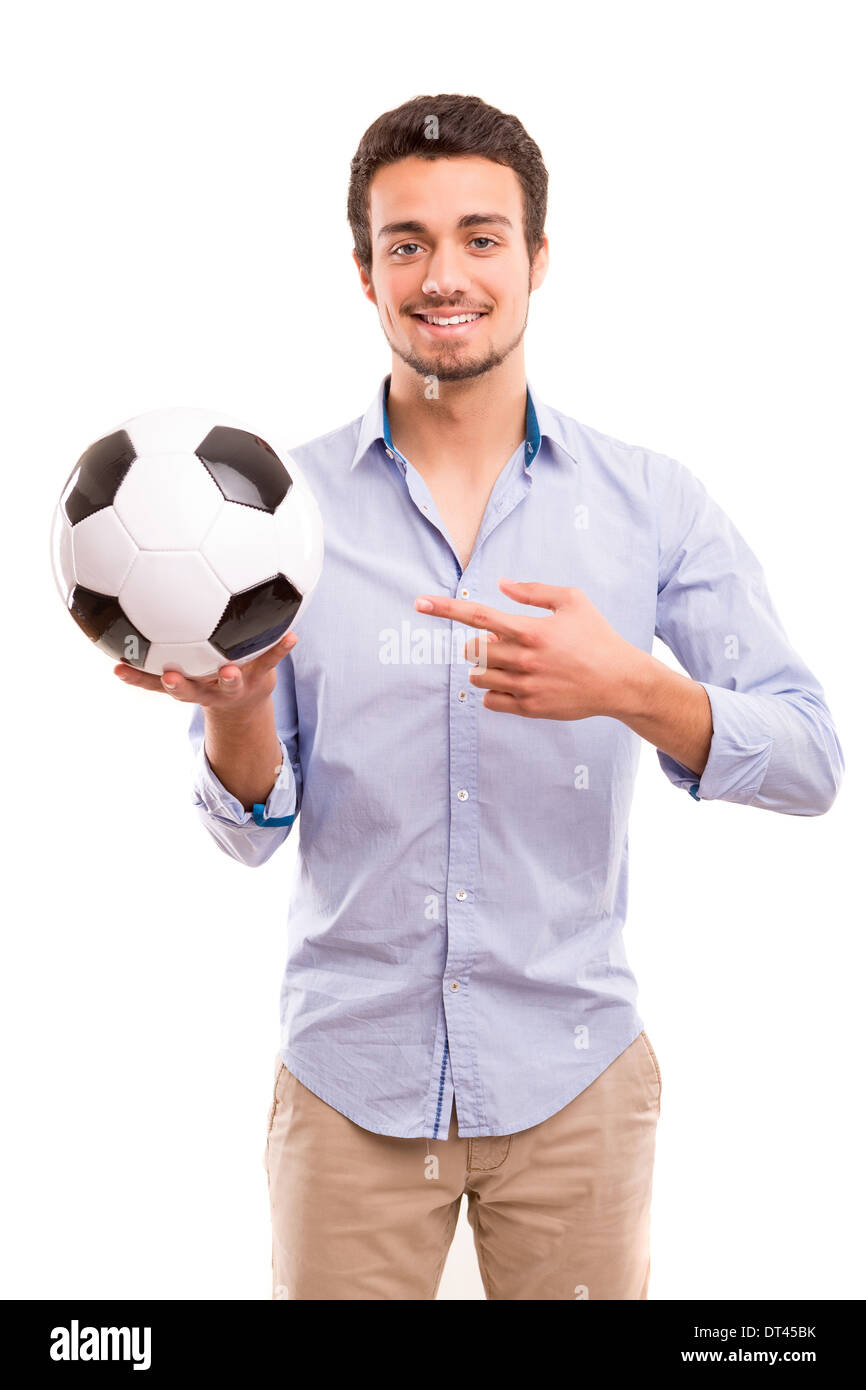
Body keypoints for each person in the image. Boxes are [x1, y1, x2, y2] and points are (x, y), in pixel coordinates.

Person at [114, 93, 844, 1300]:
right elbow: (245, 834)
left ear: (536, 258)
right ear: (364, 272)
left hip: (575, 1086)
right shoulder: (270, 513)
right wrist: (239, 707)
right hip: (350, 1089)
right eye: (406, 242)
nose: (442, 274)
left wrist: (630, 689)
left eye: (479, 236)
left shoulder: (649, 500)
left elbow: (813, 757)